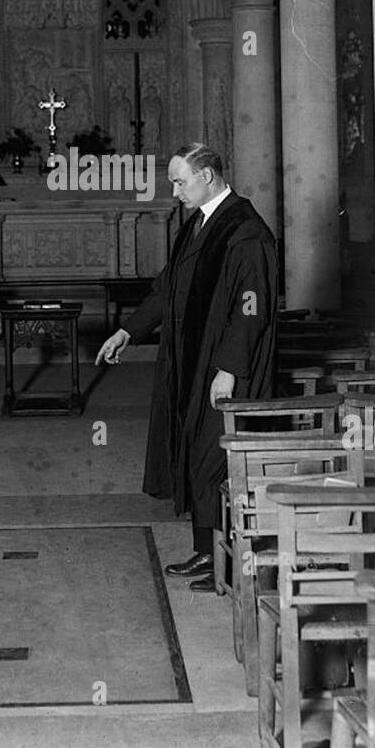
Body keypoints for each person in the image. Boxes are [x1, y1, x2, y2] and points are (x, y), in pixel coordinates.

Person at [95, 143, 277, 589]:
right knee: (197, 455)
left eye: (180, 181)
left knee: (213, 459)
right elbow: (167, 288)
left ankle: (228, 563)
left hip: (222, 367)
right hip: (192, 361)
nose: (174, 191)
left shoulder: (245, 231)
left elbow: (251, 308)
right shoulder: (199, 224)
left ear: (208, 176)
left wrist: (229, 369)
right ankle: (206, 552)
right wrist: (129, 331)